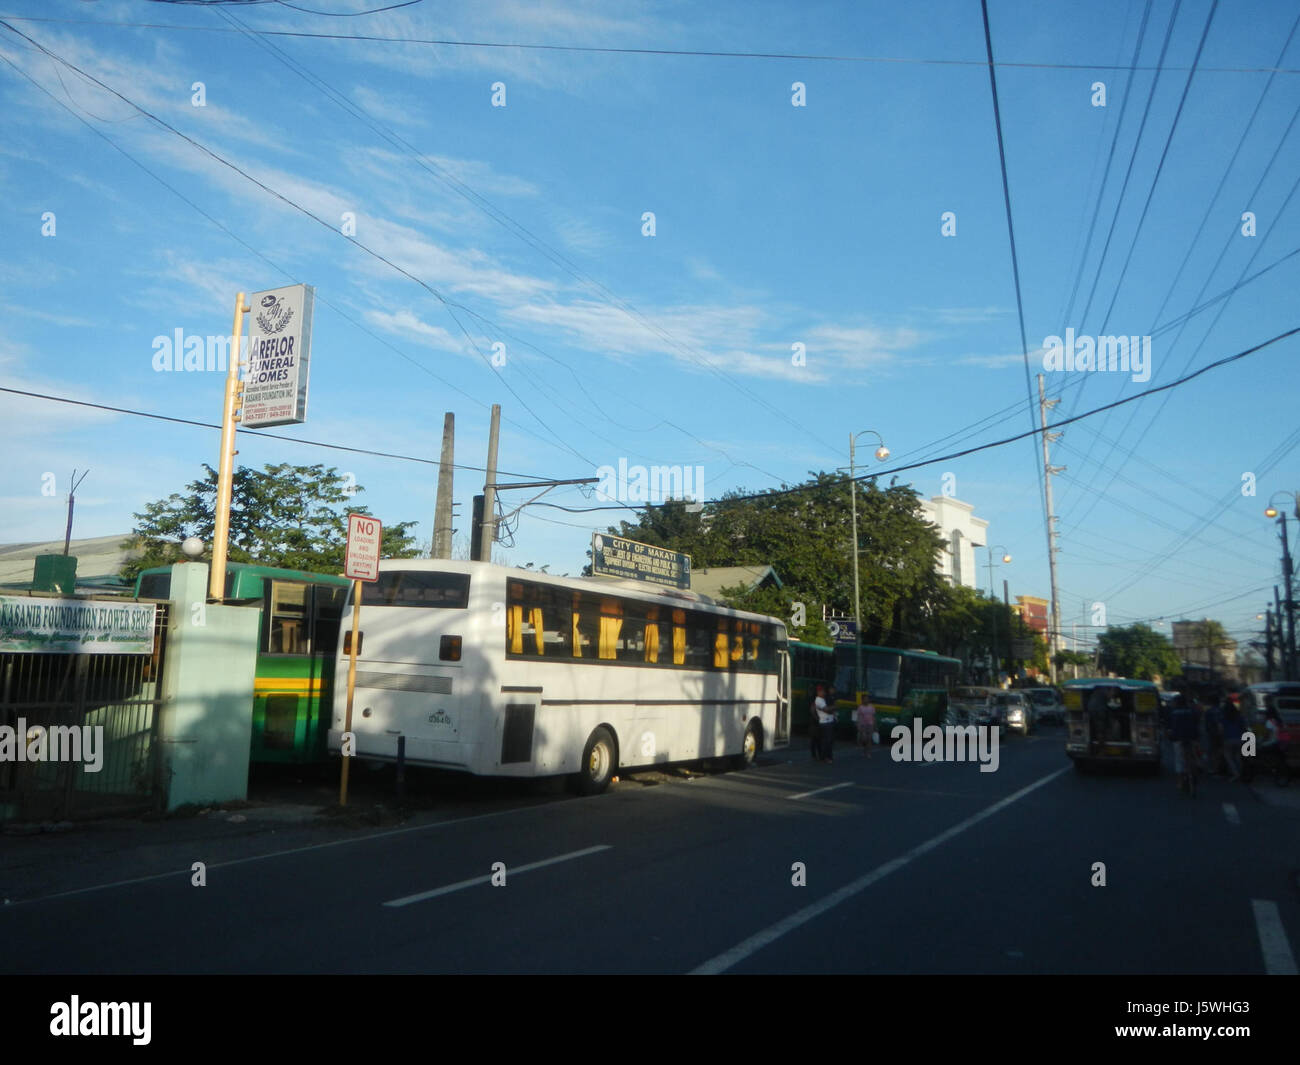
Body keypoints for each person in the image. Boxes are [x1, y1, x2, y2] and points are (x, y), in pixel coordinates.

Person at [1169, 693, 1200, 796]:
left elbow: (1172, 727)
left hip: (1179, 738)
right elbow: (1197, 723)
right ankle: (1195, 768)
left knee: (1179, 760)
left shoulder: (1174, 713)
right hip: (1192, 737)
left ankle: (1180, 781)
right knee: (1194, 756)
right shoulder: (1192, 711)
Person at [1220, 699, 1245, 782]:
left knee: (1228, 756)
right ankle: (1241, 772)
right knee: (1238, 756)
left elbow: (1221, 729)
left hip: (1228, 738)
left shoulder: (1223, 717)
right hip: (1239, 738)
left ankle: (1235, 773)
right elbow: (1244, 727)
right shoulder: (1239, 716)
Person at [814, 684, 837, 764]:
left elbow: (830, 710)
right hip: (825, 722)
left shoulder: (824, 699)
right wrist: (834, 707)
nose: (824, 692)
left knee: (829, 741)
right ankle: (825, 757)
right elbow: (827, 709)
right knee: (826, 741)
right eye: (822, 691)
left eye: (824, 691)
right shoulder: (818, 700)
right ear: (818, 692)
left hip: (829, 721)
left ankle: (827, 756)